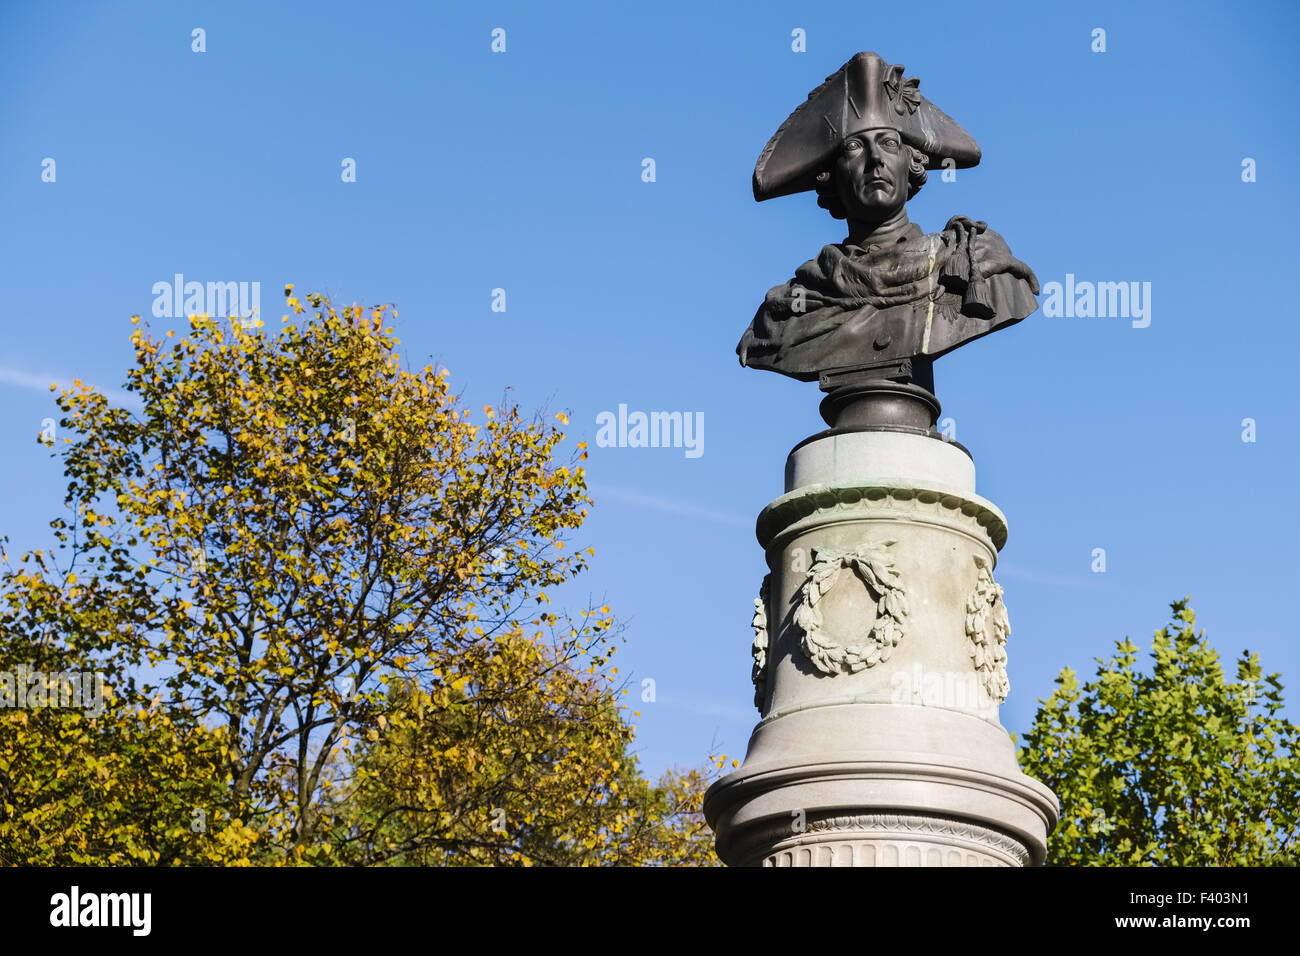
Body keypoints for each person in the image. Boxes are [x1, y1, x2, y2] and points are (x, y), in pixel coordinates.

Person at [737, 52, 1039, 383]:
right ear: (830, 177)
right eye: (854, 147)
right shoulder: (789, 310)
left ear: (913, 164)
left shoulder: (972, 261)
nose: (875, 159)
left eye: (889, 143)